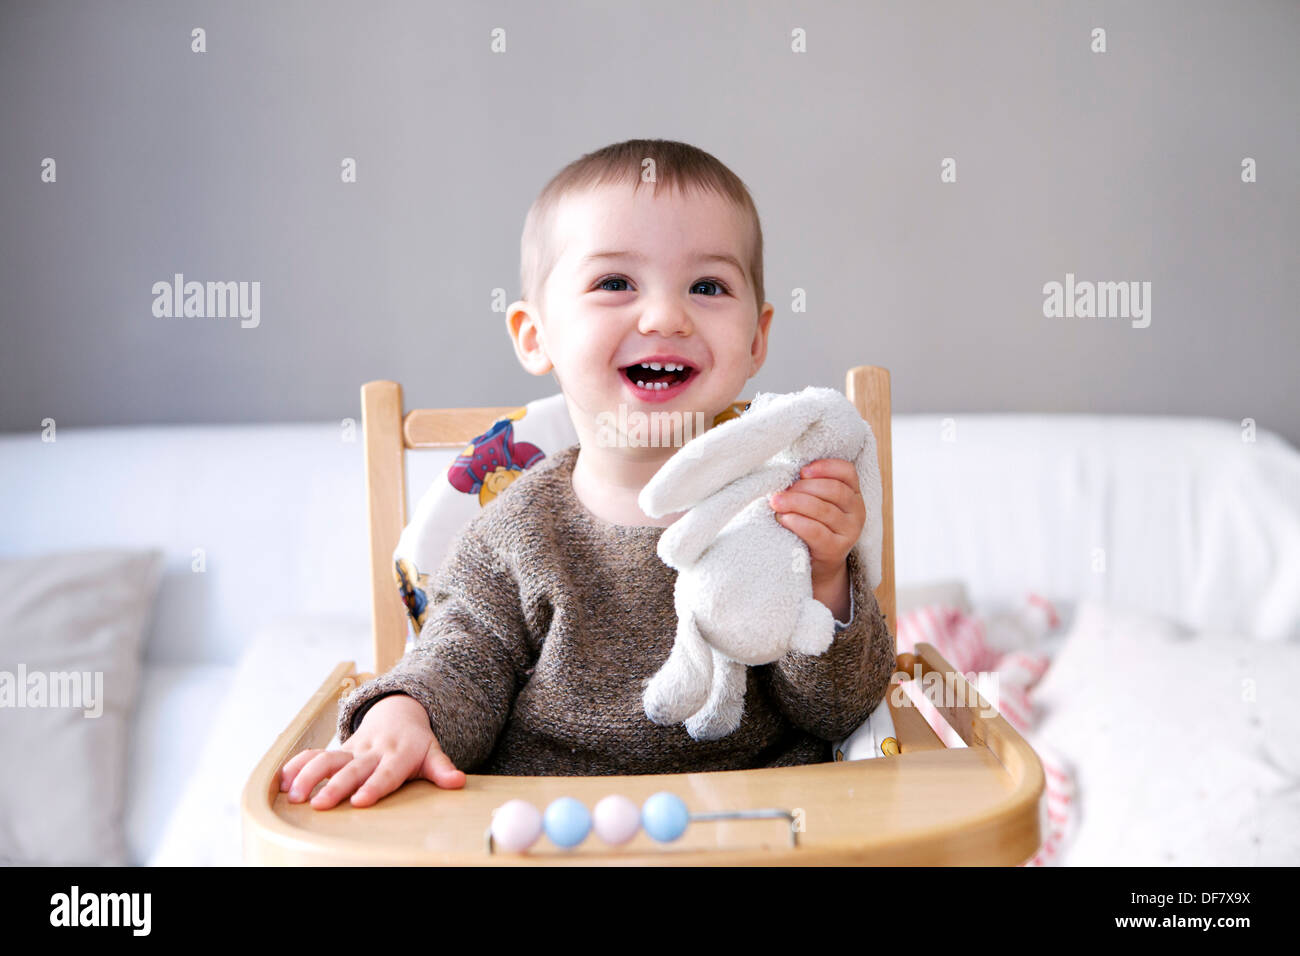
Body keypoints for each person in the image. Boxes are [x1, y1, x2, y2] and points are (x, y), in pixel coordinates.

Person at [278, 138, 894, 809]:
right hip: (552, 832)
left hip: (758, 831)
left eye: (708, 286)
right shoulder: (511, 533)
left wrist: (829, 579)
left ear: (756, 340)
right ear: (535, 335)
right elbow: (459, 663)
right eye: (614, 283)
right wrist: (404, 713)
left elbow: (840, 713)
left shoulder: (780, 508)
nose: (666, 316)